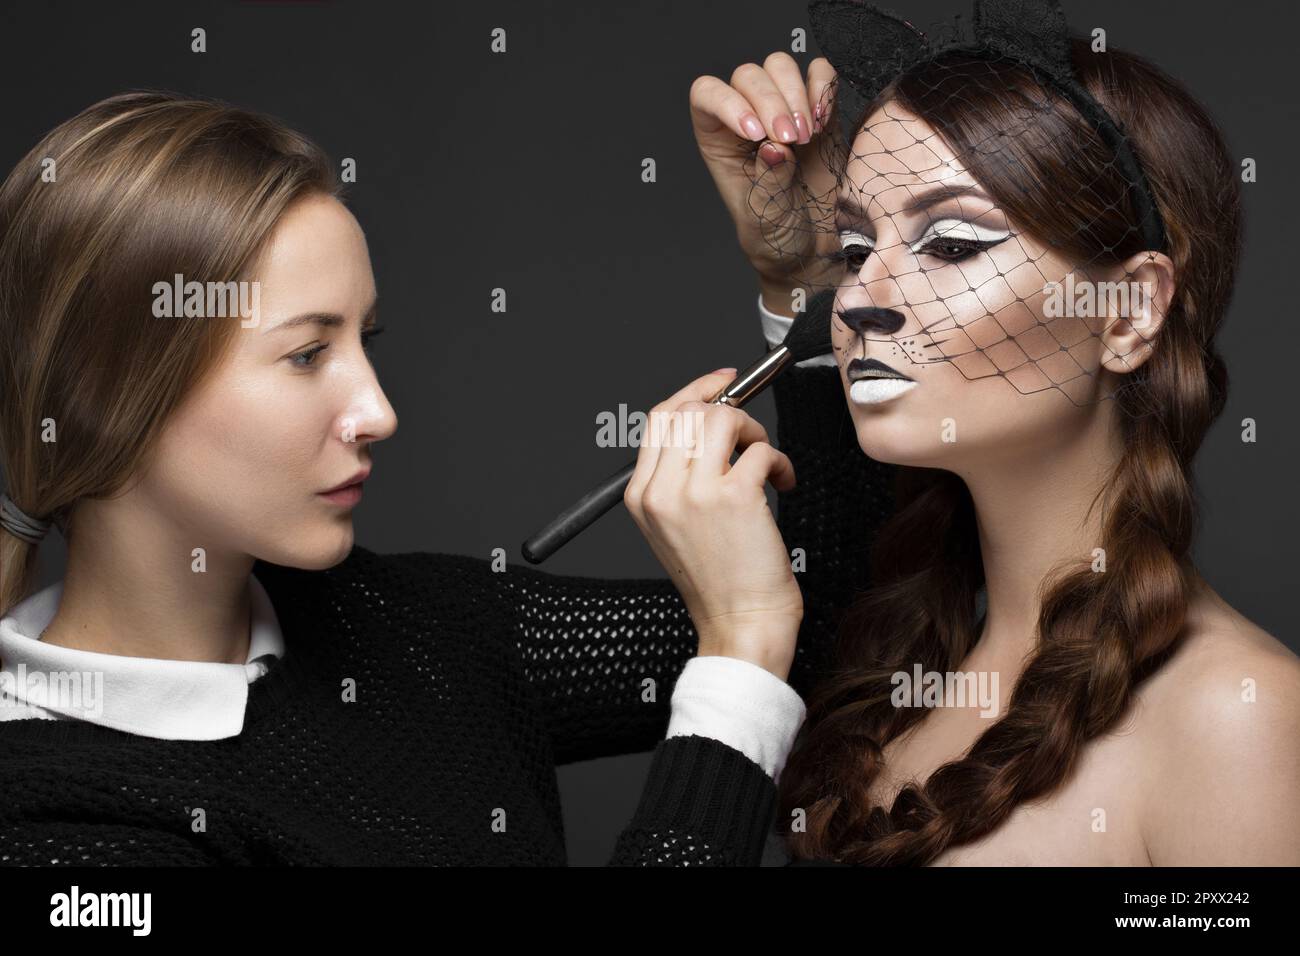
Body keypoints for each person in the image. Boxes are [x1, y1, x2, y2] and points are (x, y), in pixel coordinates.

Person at [0, 89, 892, 865]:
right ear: (109, 395)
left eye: (365, 341)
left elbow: (833, 635)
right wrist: (733, 654)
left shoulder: (414, 626)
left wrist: (811, 289)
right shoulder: (54, 825)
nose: (380, 412)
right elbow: (751, 650)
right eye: (308, 353)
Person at [632, 0, 1300, 865]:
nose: (863, 296)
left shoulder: (1235, 717)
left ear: (1128, 311)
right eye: (854, 246)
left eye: (950, 244)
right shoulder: (895, 684)